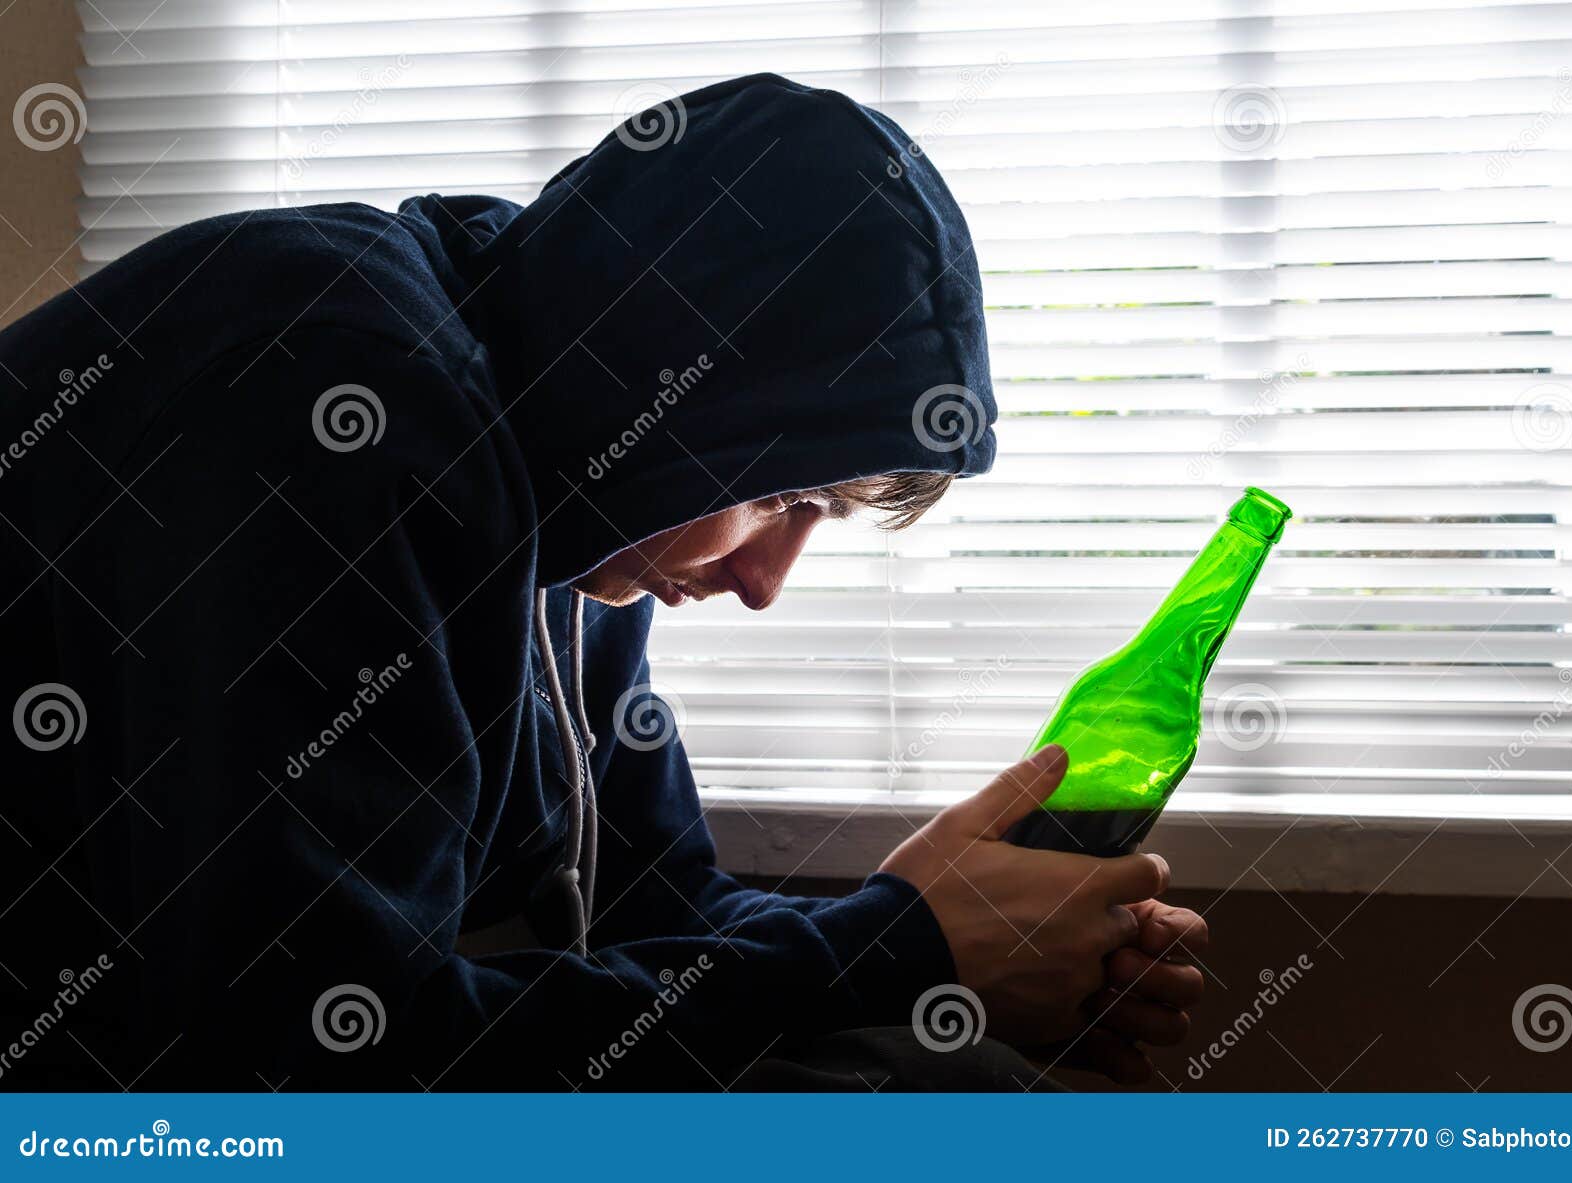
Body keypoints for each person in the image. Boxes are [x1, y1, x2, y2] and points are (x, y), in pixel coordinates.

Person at [0, 73, 1204, 1090]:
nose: (764, 580)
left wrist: (965, 940)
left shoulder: (578, 505)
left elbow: (654, 912)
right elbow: (306, 1060)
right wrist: (891, 948)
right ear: (663, 375)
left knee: (1009, 1084)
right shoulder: (332, 383)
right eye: (783, 494)